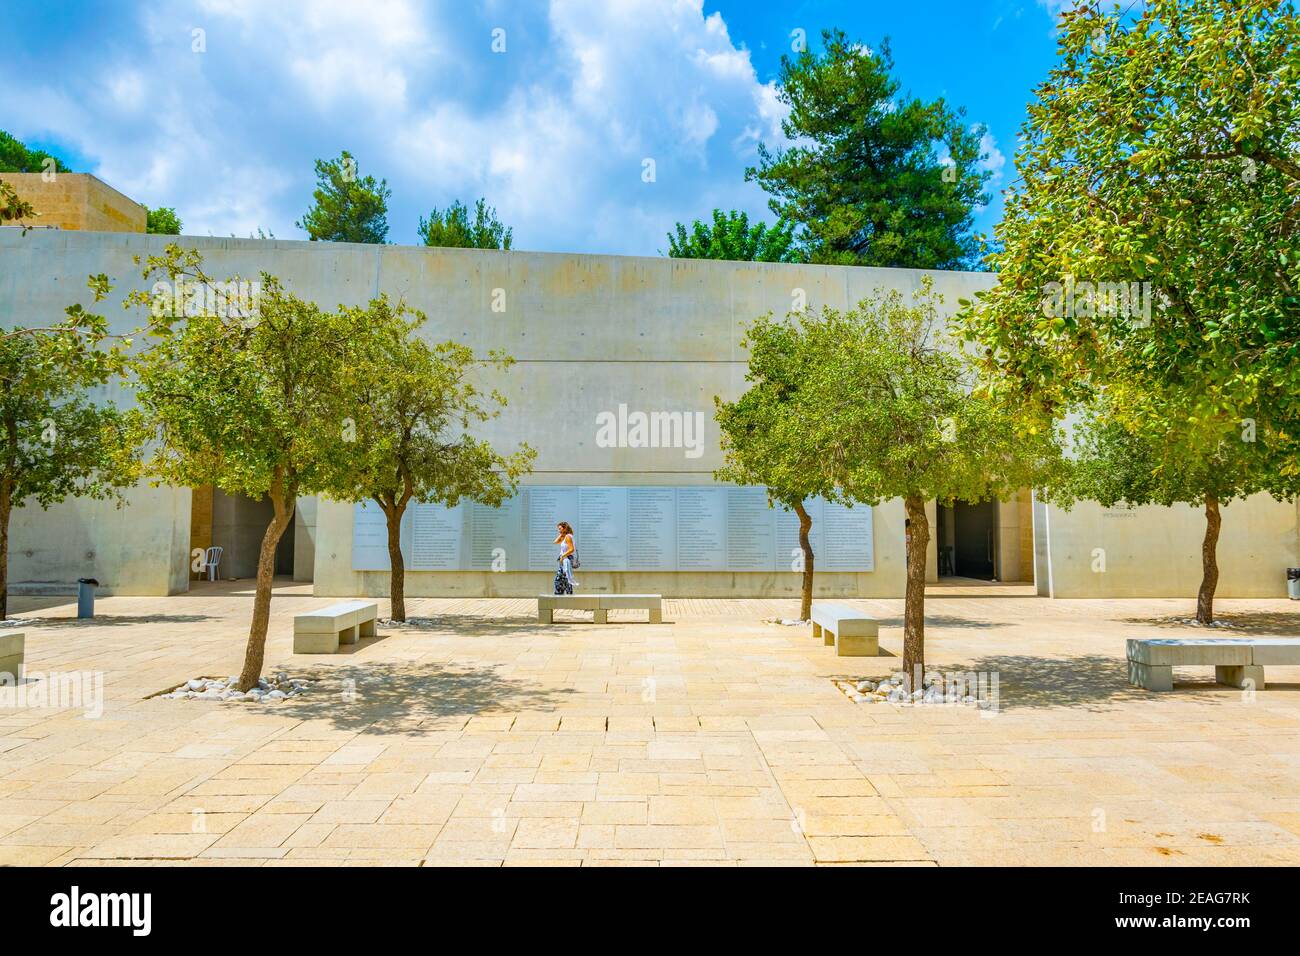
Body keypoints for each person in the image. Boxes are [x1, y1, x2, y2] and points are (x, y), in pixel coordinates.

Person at [553, 521, 578, 594]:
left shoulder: (568, 537)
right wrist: (561, 534)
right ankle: (569, 595)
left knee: (558, 580)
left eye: (560, 528)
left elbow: (571, 549)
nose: (558, 530)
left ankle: (558, 595)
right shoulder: (566, 536)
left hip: (566, 559)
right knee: (566, 578)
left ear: (564, 528)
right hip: (565, 559)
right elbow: (555, 542)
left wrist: (563, 557)